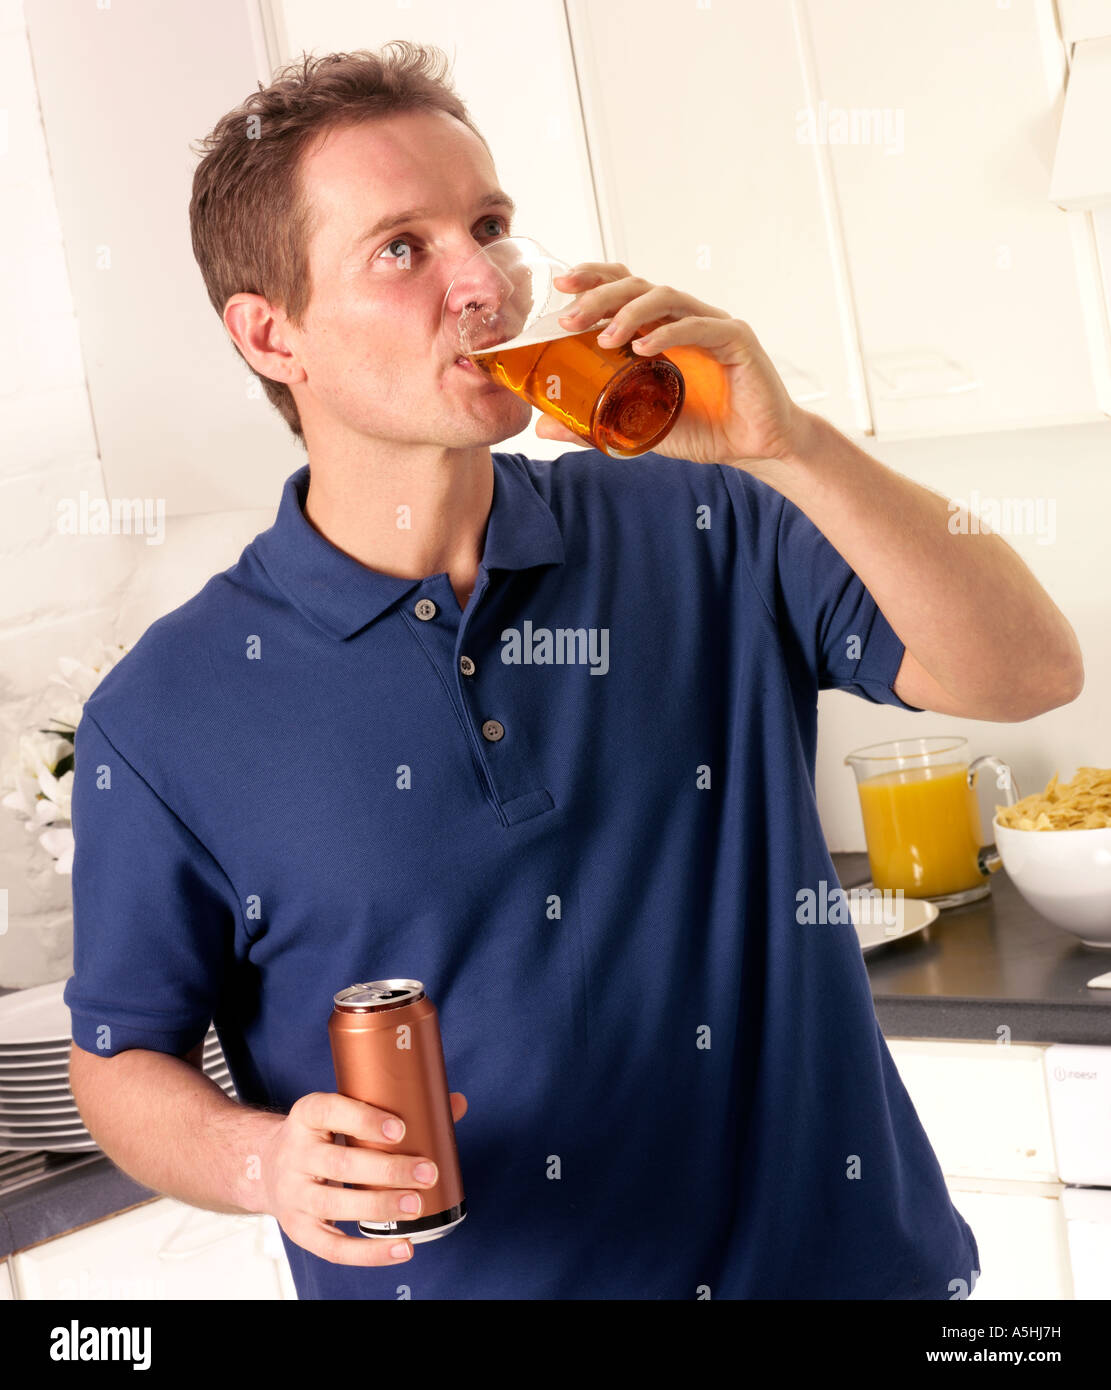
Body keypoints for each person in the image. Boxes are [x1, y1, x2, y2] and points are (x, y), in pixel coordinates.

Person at [65, 43, 1083, 1301]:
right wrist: (258, 1158)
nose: (483, 283)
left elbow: (1028, 669)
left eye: (488, 225)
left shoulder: (705, 522)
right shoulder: (165, 714)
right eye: (403, 248)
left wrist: (796, 446)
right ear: (270, 333)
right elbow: (120, 1059)